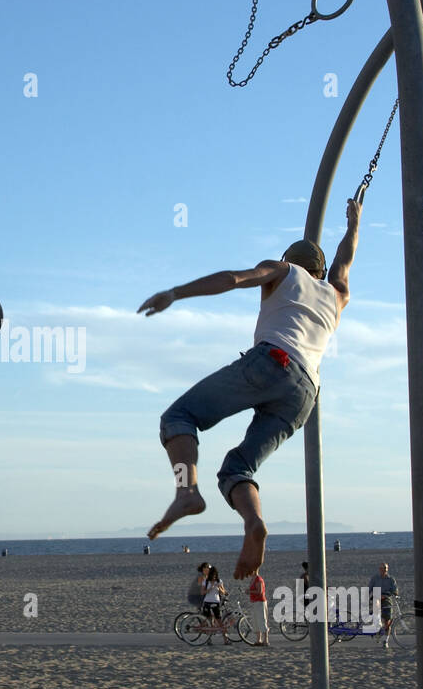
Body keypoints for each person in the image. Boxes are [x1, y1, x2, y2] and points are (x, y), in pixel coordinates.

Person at [140, 199, 361, 581]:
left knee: (179, 417)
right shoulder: (337, 293)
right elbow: (346, 258)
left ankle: (186, 491)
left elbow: (234, 278)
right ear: (320, 271)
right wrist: (354, 222)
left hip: (272, 360)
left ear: (289, 260)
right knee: (238, 468)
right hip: (305, 392)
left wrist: (175, 293)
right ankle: (254, 521)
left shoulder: (282, 270)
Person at [368, 563, 398, 638]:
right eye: (382, 568)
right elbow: (369, 588)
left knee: (387, 620)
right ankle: (378, 624)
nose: (383, 570)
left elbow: (395, 590)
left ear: (387, 569)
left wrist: (394, 594)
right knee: (376, 606)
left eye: (385, 568)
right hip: (376, 597)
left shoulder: (391, 579)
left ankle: (386, 640)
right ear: (379, 569)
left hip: (386, 598)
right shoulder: (375, 578)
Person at [201, 566, 230, 644]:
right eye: (212, 575)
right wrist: (210, 589)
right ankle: (208, 640)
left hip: (215, 602)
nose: (214, 577)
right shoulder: (206, 581)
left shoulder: (219, 581)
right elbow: (202, 592)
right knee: (209, 622)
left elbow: (223, 591)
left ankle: (226, 640)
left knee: (219, 621)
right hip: (207, 602)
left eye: (215, 575)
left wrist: (220, 589)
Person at [247, 569, 269, 646]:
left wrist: (249, 592)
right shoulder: (253, 579)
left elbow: (260, 591)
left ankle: (265, 640)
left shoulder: (259, 579)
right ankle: (258, 640)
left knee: (262, 620)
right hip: (254, 602)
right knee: (255, 621)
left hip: (260, 602)